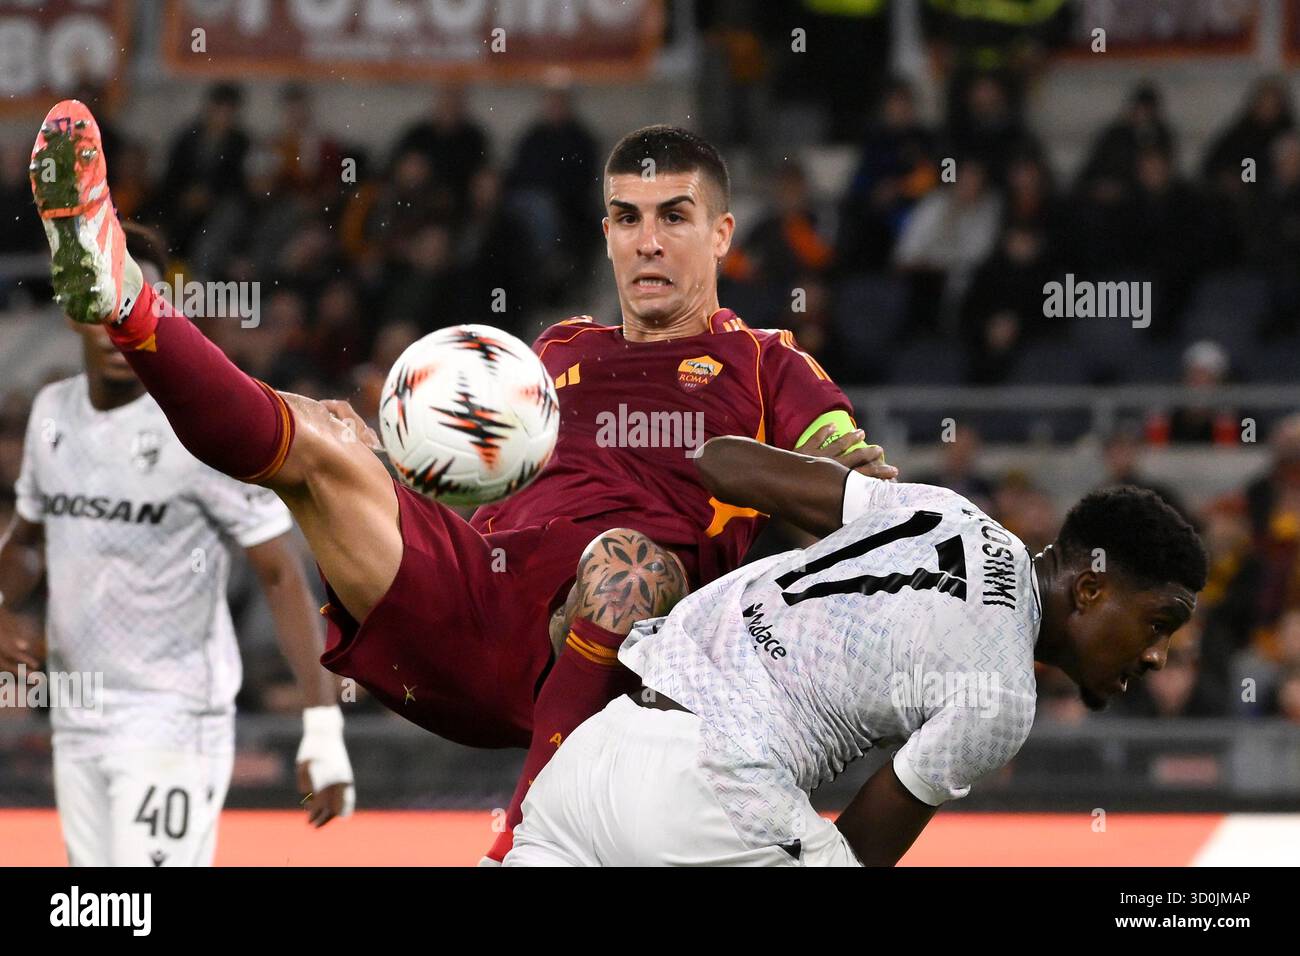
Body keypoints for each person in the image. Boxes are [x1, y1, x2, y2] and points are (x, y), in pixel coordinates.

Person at [28, 104, 895, 863]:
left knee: (627, 563)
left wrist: (866, 487)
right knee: (322, 433)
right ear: (605, 233)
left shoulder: (765, 361)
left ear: (722, 234)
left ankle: (522, 846)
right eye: (627, 218)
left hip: (620, 655)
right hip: (475, 593)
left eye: (675, 215)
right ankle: (127, 298)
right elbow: (485, 484)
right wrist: (391, 459)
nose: (649, 241)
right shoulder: (556, 349)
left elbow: (847, 478)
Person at [505, 436, 1206, 866]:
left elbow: (720, 463)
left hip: (596, 755)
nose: (1157, 658)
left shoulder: (943, 508)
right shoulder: (1003, 697)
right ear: (1087, 591)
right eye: (1157, 624)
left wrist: (832, 477)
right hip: (713, 789)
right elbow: (865, 848)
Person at [0, 222, 354, 866]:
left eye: (142, 303)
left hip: (172, 718)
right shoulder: (51, 411)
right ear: (75, 308)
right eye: (110, 298)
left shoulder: (203, 430)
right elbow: (27, 541)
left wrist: (323, 724)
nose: (124, 318)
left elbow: (279, 573)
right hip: (76, 719)